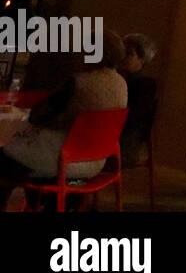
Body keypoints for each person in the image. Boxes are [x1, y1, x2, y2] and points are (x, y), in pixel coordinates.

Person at [0, 31, 129, 209]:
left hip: (62, 165)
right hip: (94, 164)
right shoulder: (121, 84)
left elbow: (39, 116)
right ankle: (35, 205)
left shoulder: (78, 83)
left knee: (6, 159)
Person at [118, 33, 160, 167]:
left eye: (129, 54)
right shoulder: (116, 79)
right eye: (122, 52)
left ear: (142, 59)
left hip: (127, 143)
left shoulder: (146, 85)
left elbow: (132, 118)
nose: (123, 57)